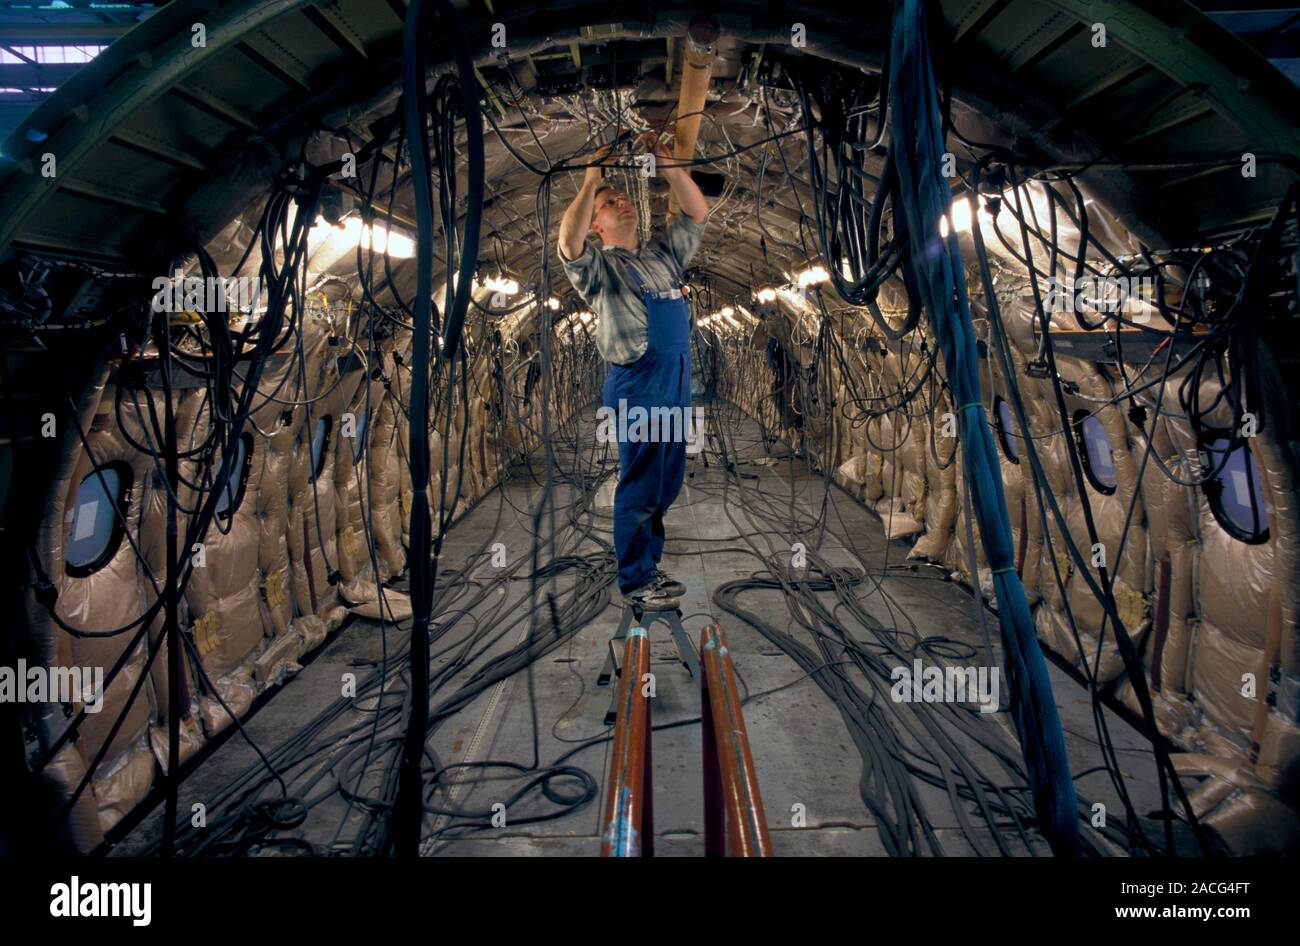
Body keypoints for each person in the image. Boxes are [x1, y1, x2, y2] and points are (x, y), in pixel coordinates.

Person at [557, 132, 709, 610]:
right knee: (641, 481)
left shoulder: (662, 258)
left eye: (619, 196)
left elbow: (697, 214)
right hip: (639, 384)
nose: (619, 201)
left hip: (675, 382)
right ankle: (635, 579)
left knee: (667, 481)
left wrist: (668, 165)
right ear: (596, 226)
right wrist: (590, 181)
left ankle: (650, 566)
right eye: (607, 202)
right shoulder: (600, 268)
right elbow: (567, 242)